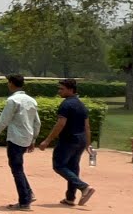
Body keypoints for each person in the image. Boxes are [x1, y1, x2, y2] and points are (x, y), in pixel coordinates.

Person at [0, 74, 41, 211]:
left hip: (15, 138)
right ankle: (28, 193)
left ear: (11, 83)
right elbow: (37, 122)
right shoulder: (31, 100)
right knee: (18, 168)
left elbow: (3, 121)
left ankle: (24, 201)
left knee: (17, 169)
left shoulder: (13, 101)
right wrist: (33, 140)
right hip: (27, 137)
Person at [38, 78, 95, 206]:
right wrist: (88, 143)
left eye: (61, 89)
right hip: (80, 140)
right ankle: (70, 198)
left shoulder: (66, 104)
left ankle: (84, 187)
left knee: (59, 165)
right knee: (73, 168)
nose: (59, 91)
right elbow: (87, 126)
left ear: (70, 90)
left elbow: (60, 124)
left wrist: (47, 140)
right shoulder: (81, 105)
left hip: (69, 140)